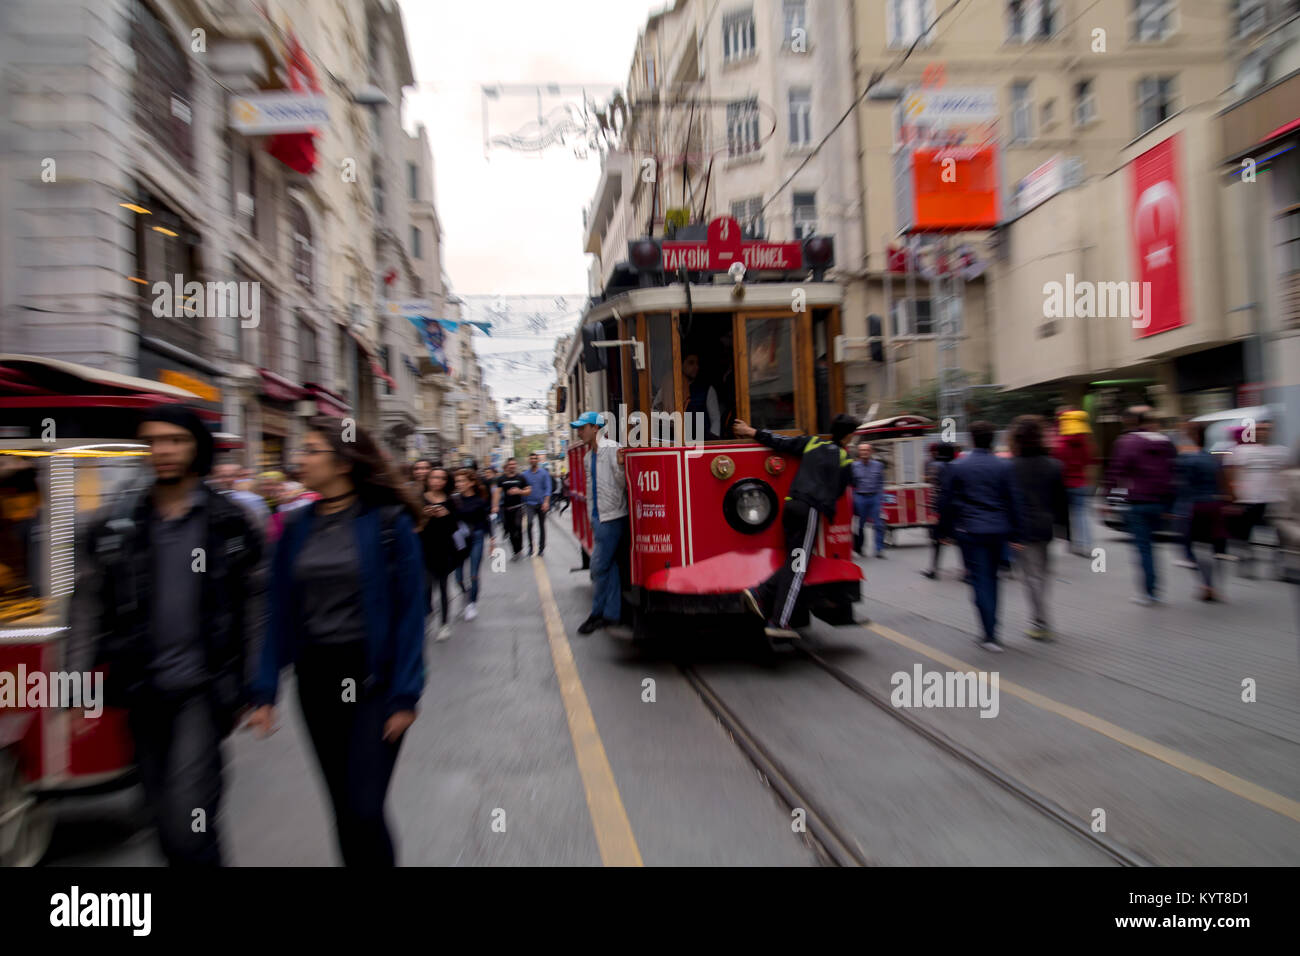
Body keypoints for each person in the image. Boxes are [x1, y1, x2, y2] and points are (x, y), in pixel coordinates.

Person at [247, 418, 425, 867]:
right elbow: (278, 609)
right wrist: (264, 690)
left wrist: (405, 694)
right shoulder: (294, 526)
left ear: (344, 462)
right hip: (316, 683)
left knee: (365, 807)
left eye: (310, 450)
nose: (299, 460)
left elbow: (410, 615)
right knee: (344, 809)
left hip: (373, 683)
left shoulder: (389, 522)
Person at [88, 405, 261, 865]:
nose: (162, 450)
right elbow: (87, 603)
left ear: (196, 448)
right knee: (164, 820)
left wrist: (257, 684)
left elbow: (255, 602)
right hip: (141, 689)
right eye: (152, 442)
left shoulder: (227, 521)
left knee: (188, 819)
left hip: (202, 689)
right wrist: (72, 689)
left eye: (175, 440)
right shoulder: (119, 522)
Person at [734, 413, 858, 639]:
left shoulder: (813, 442)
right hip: (809, 510)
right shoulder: (843, 457)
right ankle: (779, 622)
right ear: (849, 436)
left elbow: (780, 442)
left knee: (793, 563)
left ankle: (759, 593)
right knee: (798, 568)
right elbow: (842, 489)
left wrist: (752, 432)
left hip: (791, 506)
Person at [938, 420, 1022, 651]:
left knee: (979, 579)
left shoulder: (958, 466)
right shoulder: (1004, 466)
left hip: (970, 531)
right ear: (993, 439)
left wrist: (943, 531)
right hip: (998, 530)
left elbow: (946, 501)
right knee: (993, 578)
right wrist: (1017, 534)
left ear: (971, 439)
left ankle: (989, 633)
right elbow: (1014, 500)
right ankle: (993, 627)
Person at [1104, 406, 1177, 605]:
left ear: (1136, 422)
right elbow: (1174, 471)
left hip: (1137, 502)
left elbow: (1116, 472)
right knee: (1153, 546)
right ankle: (1155, 590)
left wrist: (1110, 499)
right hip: (1160, 502)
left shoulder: (1127, 441)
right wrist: (1171, 505)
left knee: (1143, 548)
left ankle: (1149, 592)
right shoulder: (1167, 442)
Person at [1009, 416, 1067, 640]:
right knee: (1042, 574)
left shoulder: (1010, 467)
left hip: (1021, 528)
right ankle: (1040, 618)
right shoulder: (1054, 464)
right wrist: (1064, 530)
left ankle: (1041, 622)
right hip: (1045, 527)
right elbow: (1061, 500)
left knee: (1030, 576)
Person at [571, 411, 628, 635]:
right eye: (578, 428)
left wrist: (621, 466)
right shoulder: (588, 457)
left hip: (613, 517)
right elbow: (590, 489)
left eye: (582, 427)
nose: (579, 432)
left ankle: (596, 614)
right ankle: (612, 614)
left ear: (595, 428)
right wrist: (591, 517)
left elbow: (623, 484)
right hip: (599, 517)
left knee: (597, 567)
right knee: (609, 566)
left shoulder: (612, 448)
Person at [1174, 421, 1233, 602]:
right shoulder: (1212, 458)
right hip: (1213, 505)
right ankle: (1214, 586)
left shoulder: (1184, 459)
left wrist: (1174, 509)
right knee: (1215, 546)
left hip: (1192, 507)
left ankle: (1206, 584)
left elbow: (1179, 486)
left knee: (1188, 547)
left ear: (1192, 437)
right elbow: (1223, 482)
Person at [1227, 420, 1288, 577]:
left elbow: (1285, 473)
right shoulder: (1242, 451)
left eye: (1266, 430)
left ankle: (1280, 566)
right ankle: (1246, 563)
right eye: (1259, 429)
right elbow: (1232, 472)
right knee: (1247, 534)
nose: (1263, 432)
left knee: (1279, 534)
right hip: (1250, 499)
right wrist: (1234, 495)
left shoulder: (1280, 452)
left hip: (1274, 499)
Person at [419, 466, 459, 641]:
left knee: (443, 587)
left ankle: (444, 624)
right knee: (426, 587)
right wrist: (424, 516)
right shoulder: (419, 499)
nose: (437, 481)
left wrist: (446, 515)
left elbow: (454, 528)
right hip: (424, 549)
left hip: (444, 549)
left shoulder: (451, 500)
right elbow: (413, 527)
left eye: (442, 478)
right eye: (434, 477)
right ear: (428, 479)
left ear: (446, 482)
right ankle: (428, 615)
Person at [451, 468, 493, 620]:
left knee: (474, 574)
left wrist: (492, 540)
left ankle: (472, 604)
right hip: (459, 540)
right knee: (458, 577)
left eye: (462, 481)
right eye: (457, 481)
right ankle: (466, 594)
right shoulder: (454, 500)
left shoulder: (480, 501)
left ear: (471, 483)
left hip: (477, 537)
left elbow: (486, 520)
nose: (459, 484)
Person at [1054, 407, 1096, 557]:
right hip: (1082, 483)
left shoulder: (1061, 443)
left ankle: (1074, 543)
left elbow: (1057, 465)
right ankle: (1086, 544)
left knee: (1067, 516)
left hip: (1065, 484)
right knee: (1082, 514)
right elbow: (1089, 462)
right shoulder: (1085, 442)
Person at [922, 442, 957, 579]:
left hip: (940, 507)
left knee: (936, 540)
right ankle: (967, 571)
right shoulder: (957, 466)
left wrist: (933, 510)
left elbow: (935, 490)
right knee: (958, 540)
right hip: (954, 507)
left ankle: (934, 569)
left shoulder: (935, 466)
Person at [850, 440, 887, 558]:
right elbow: (851, 483)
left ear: (871, 452)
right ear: (859, 452)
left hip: (875, 497)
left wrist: (880, 497)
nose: (864, 452)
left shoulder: (878, 465)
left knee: (878, 524)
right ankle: (860, 548)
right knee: (860, 526)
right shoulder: (854, 466)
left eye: (866, 450)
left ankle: (879, 549)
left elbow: (881, 482)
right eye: (862, 450)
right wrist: (854, 498)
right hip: (860, 497)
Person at [493, 458, 528, 560]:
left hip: (518, 507)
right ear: (507, 466)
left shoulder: (521, 477)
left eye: (514, 464)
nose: (512, 466)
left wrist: (519, 491)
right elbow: (497, 493)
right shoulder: (502, 479)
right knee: (511, 531)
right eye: (510, 464)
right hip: (507, 509)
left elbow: (528, 490)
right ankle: (515, 551)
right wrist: (495, 505)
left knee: (518, 527)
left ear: (516, 465)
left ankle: (520, 549)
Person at [521, 452, 553, 556]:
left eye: (535, 458)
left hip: (541, 503)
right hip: (529, 504)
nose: (533, 460)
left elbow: (548, 488)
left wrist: (546, 502)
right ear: (529, 460)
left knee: (541, 526)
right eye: (531, 458)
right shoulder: (524, 475)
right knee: (529, 524)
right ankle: (531, 547)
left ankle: (541, 549)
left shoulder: (544, 473)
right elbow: (522, 489)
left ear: (538, 460)